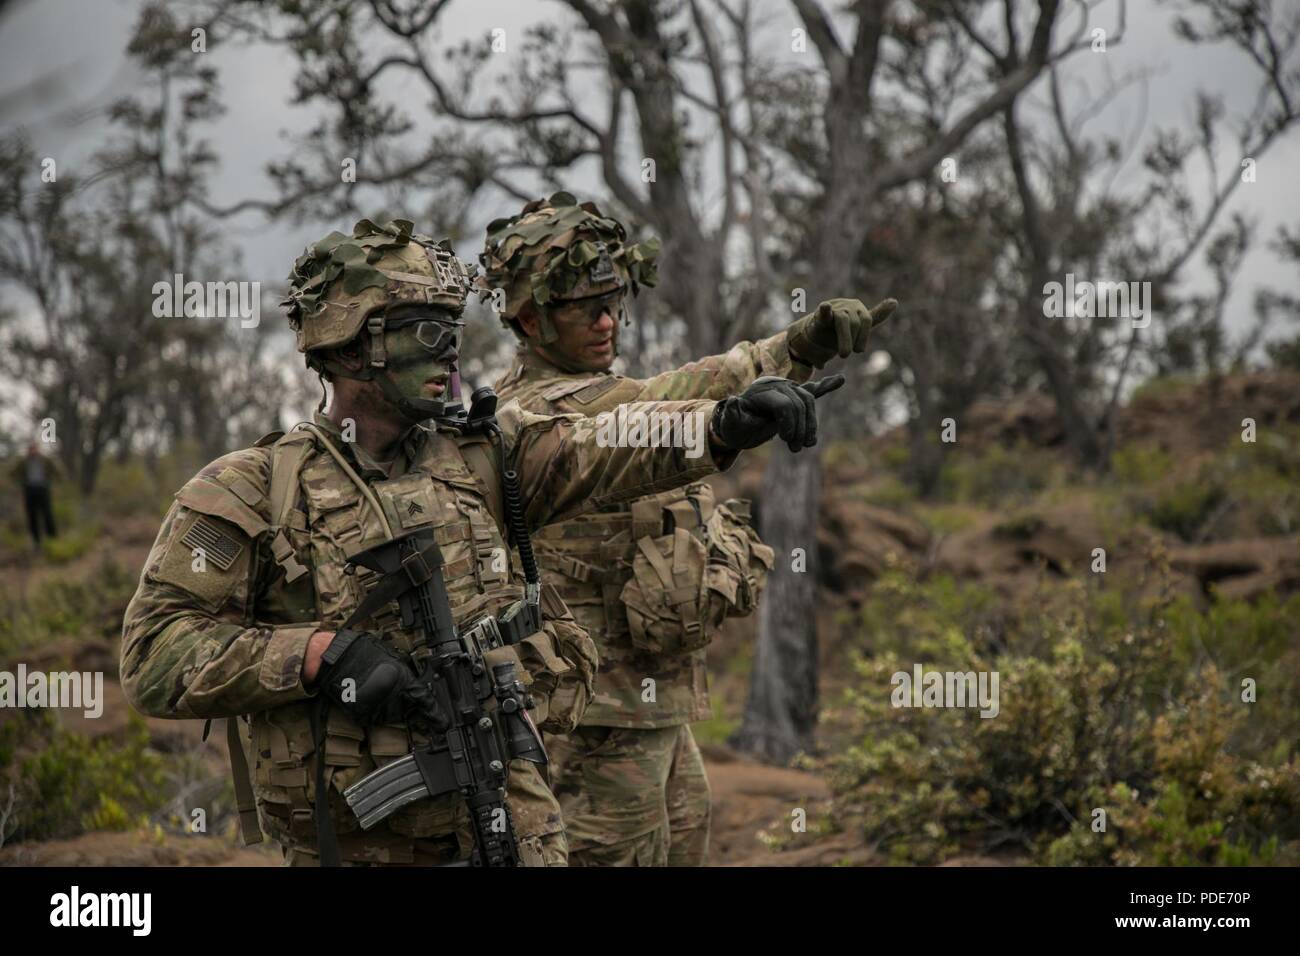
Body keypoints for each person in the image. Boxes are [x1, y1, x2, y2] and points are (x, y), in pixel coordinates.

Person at [121, 217, 840, 867]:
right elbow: (154, 653)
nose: (451, 350)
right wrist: (315, 654)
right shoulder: (251, 489)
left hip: (509, 816)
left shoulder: (482, 453)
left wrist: (723, 425)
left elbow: (610, 443)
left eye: (453, 327)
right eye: (426, 330)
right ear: (352, 345)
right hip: (364, 843)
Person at [482, 192, 896, 866]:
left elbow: (673, 390)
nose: (607, 319)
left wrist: (797, 346)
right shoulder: (528, 417)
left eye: (613, 300)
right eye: (584, 306)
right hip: (591, 722)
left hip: (651, 709)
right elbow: (648, 417)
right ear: (529, 317)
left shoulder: (607, 395)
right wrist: (733, 415)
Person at [16, 442, 59, 551]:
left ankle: (53, 539)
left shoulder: (45, 460)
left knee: (47, 514)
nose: (33, 451)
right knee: (32, 516)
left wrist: (50, 482)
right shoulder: (24, 462)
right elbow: (13, 473)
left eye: (34, 449)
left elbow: (57, 472)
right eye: (31, 449)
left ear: (38, 449)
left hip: (43, 489)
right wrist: (21, 483)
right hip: (30, 491)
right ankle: (36, 542)